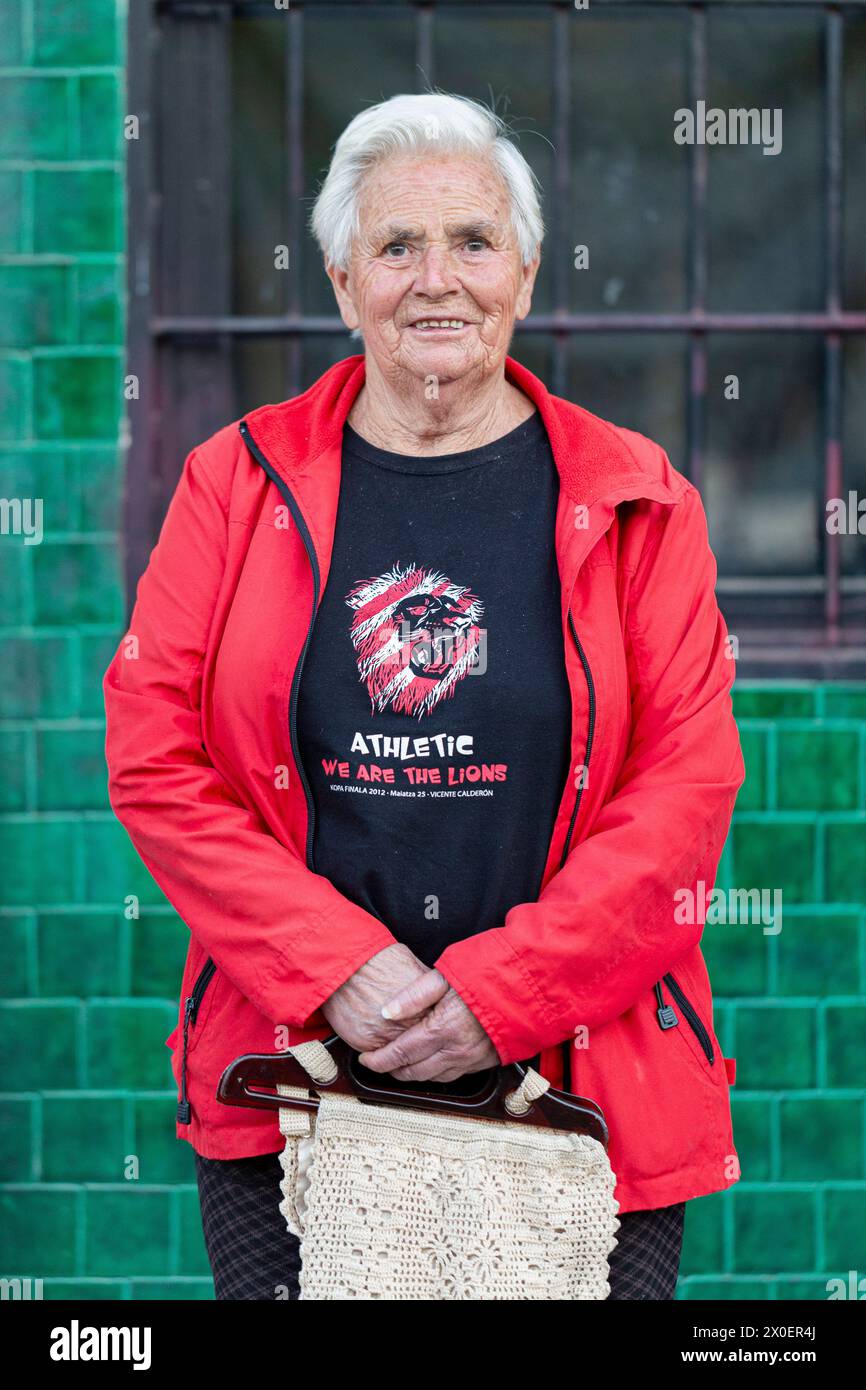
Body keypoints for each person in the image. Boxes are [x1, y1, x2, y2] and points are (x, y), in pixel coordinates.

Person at [104, 92, 745, 1301]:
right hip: (299, 1082)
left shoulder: (637, 499)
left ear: (526, 273)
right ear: (344, 282)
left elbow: (685, 793)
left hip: (580, 1088)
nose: (434, 279)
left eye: (471, 241)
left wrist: (503, 996)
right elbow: (153, 756)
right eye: (396, 246)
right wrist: (336, 965)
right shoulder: (231, 484)